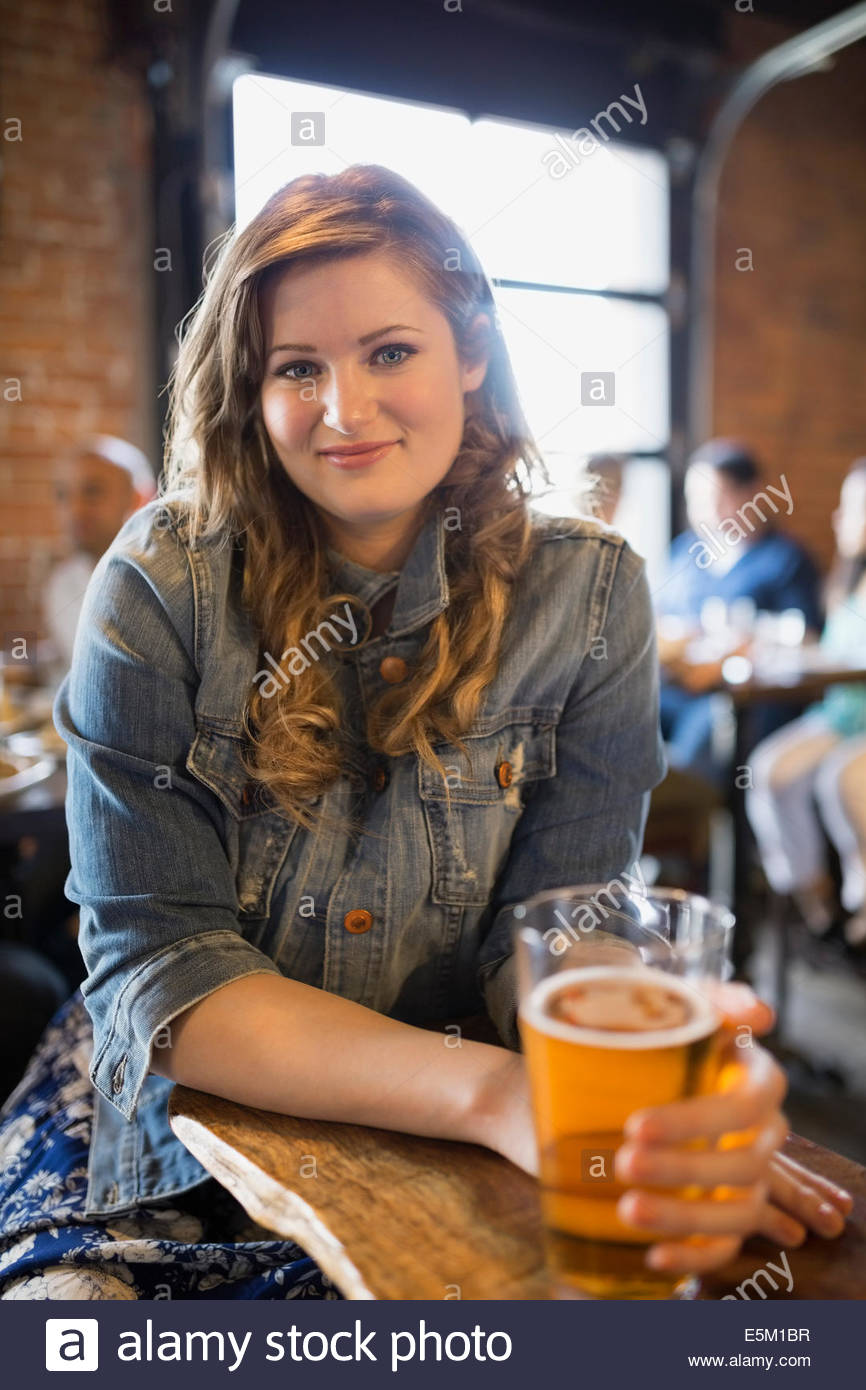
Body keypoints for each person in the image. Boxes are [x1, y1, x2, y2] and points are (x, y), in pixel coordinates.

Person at [0, 166, 850, 1300]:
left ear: (471, 355)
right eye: (297, 368)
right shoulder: (160, 584)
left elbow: (556, 924)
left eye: (388, 352)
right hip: (169, 1137)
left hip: (459, 1123)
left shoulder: (589, 595)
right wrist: (505, 1096)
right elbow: (164, 975)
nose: (343, 410)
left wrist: (642, 1074)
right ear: (248, 391)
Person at [746, 459, 866, 947]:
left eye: (855, 508)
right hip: (837, 713)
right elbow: (837, 655)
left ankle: (859, 905)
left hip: (856, 725)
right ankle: (815, 899)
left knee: (844, 778)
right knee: (767, 770)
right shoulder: (849, 579)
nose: (841, 518)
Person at [657, 439, 822, 780]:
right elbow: (656, 619)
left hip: (739, 699)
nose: (706, 512)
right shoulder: (686, 554)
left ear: (752, 495)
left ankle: (695, 820)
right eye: (697, 501)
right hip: (676, 687)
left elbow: (807, 635)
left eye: (717, 498)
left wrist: (743, 643)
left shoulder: (784, 559)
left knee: (694, 756)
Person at [43, 435, 157, 676]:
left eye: (92, 492)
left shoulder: (163, 587)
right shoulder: (62, 584)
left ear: (139, 499)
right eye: (64, 495)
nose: (74, 509)